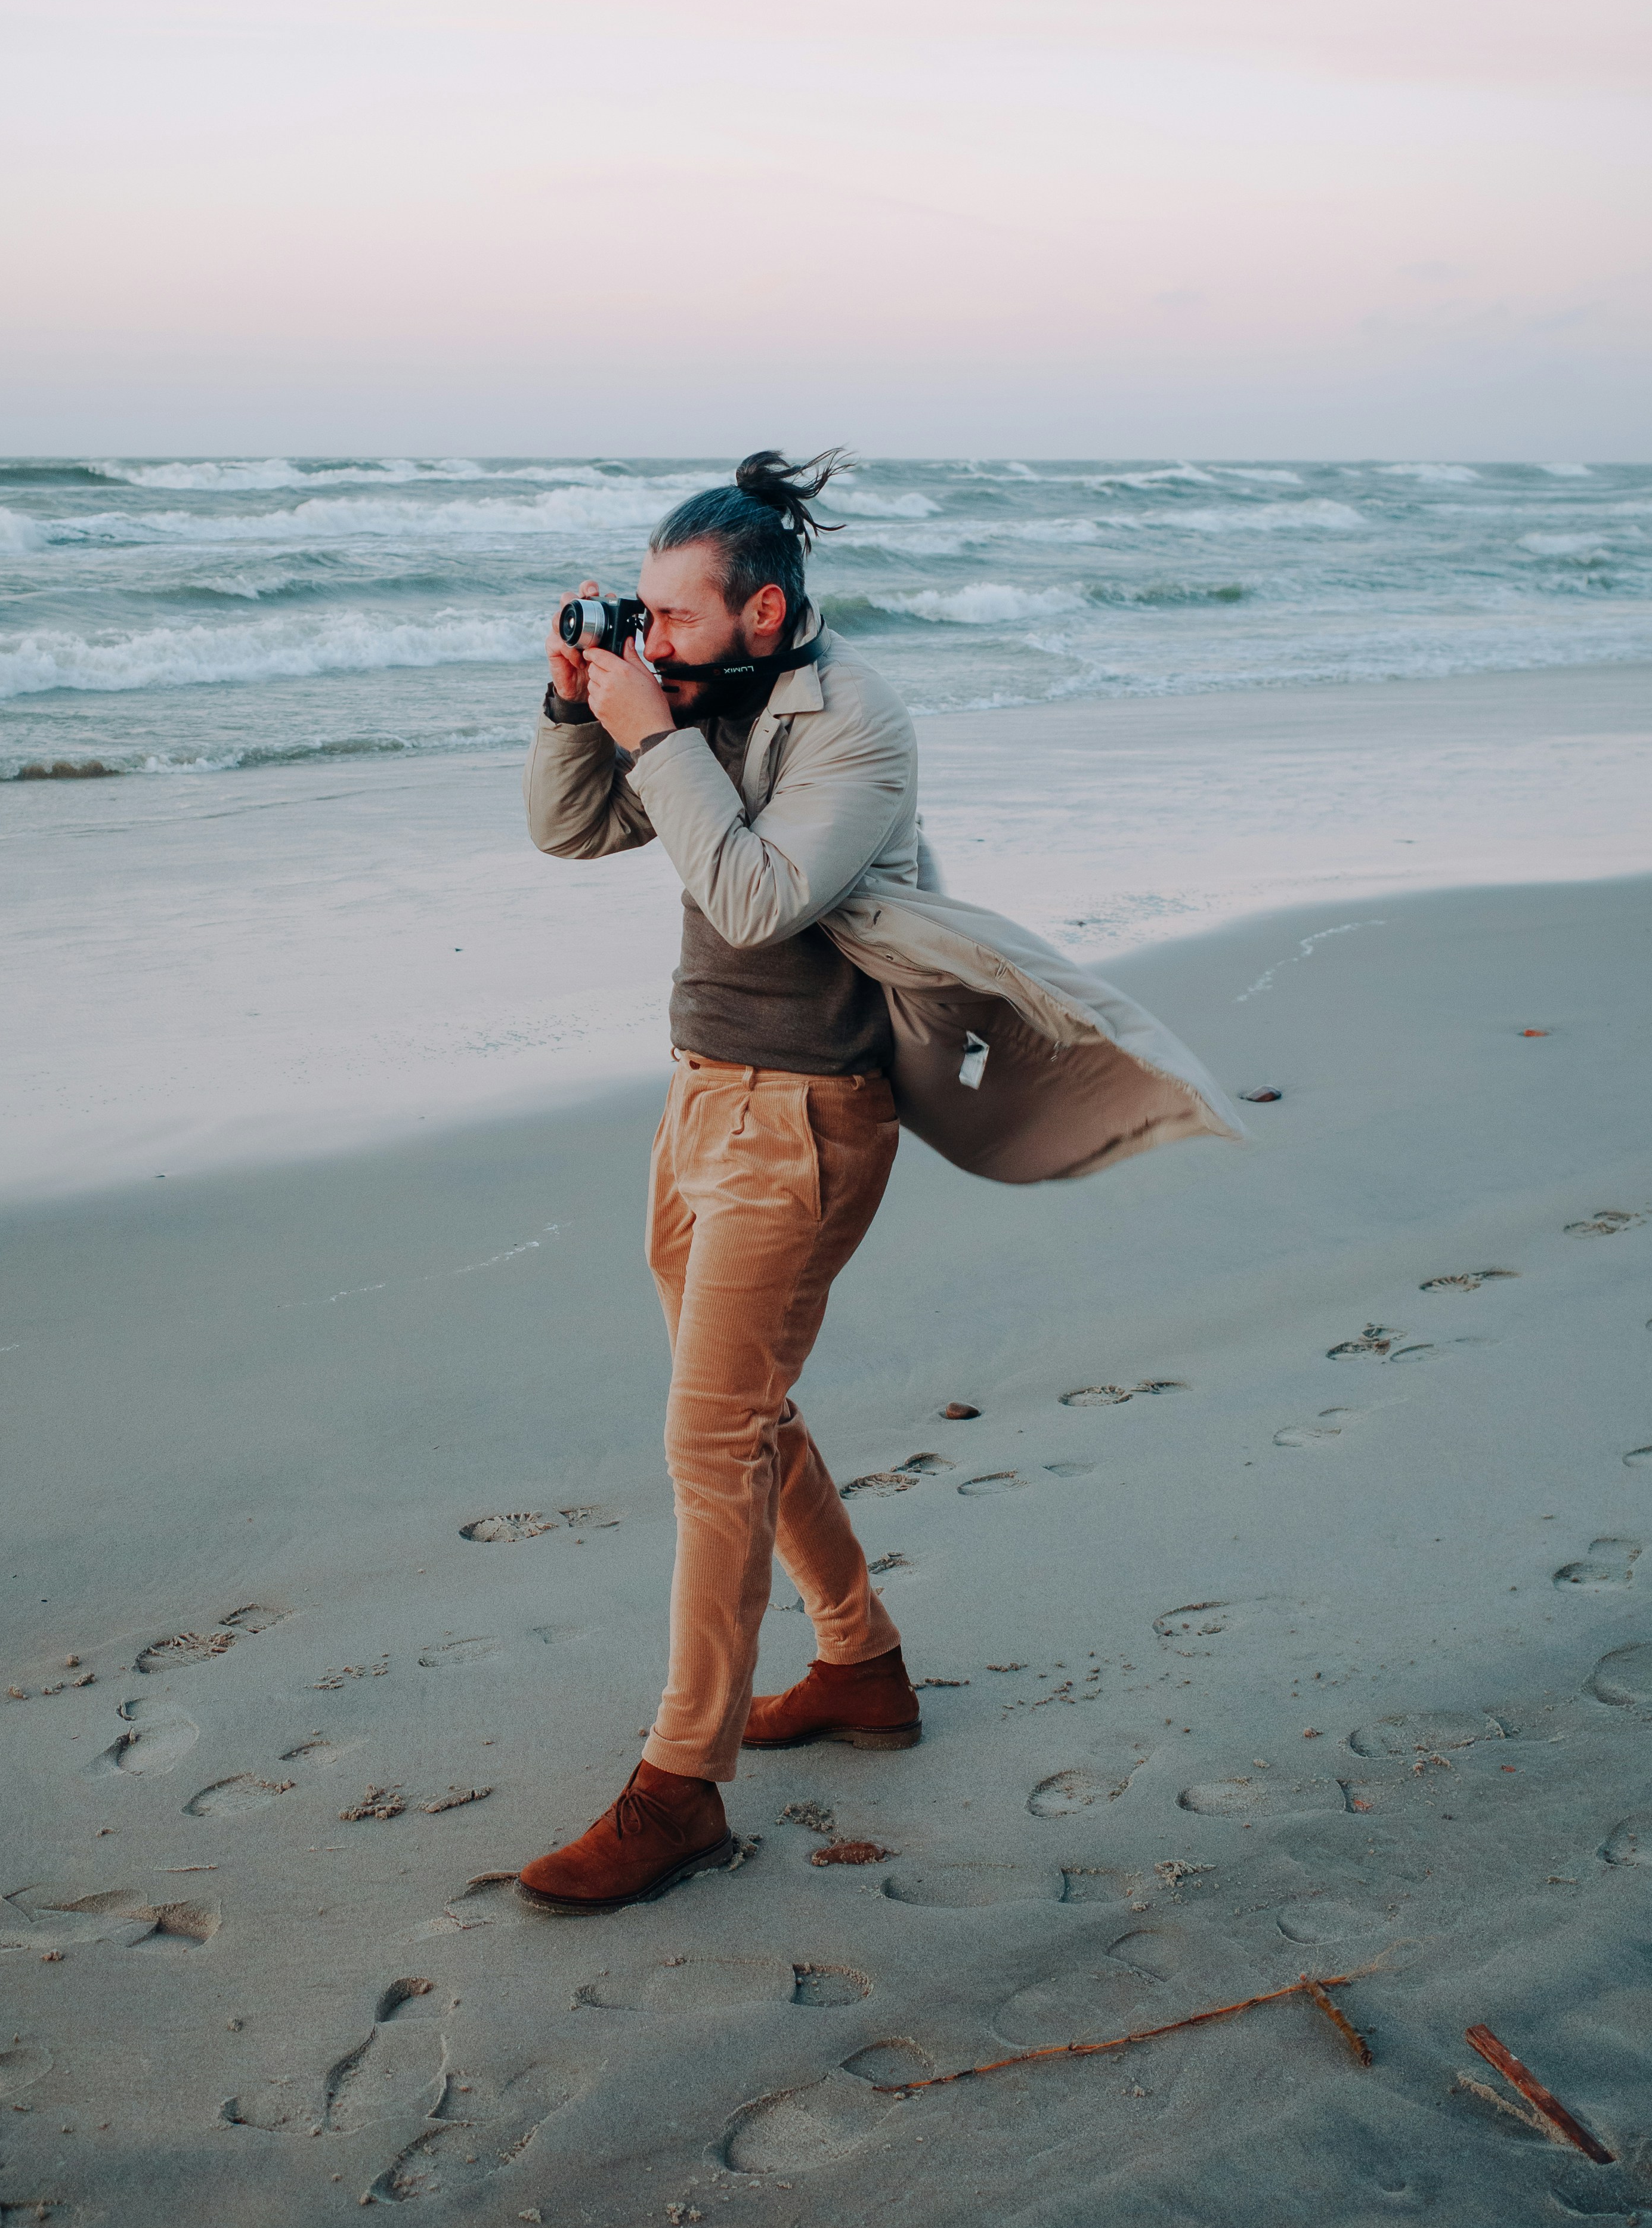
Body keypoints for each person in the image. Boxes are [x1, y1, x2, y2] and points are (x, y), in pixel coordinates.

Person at [514, 450, 1244, 1912]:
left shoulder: (856, 725)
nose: (650, 640)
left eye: (676, 618)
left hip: (807, 1116)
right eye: (638, 617)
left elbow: (755, 895)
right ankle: (859, 1667)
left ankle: (681, 1791)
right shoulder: (695, 699)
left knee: (709, 1441)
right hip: (699, 1096)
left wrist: (651, 726)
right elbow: (570, 828)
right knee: (746, 1414)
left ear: (766, 610)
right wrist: (574, 710)